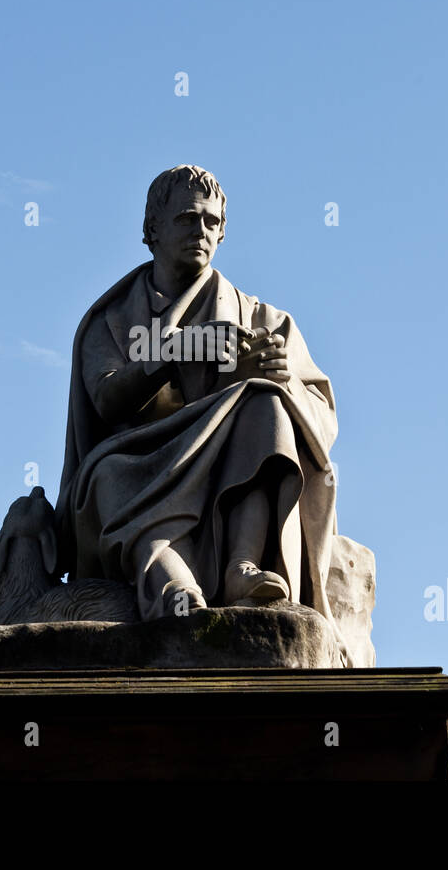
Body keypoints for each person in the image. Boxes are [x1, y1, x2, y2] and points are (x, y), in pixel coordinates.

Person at [56, 165, 354, 657]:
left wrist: (277, 378)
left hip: (222, 462)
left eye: (212, 222)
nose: (202, 232)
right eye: (188, 219)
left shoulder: (263, 318)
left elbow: (321, 411)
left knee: (266, 404)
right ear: (151, 231)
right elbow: (107, 398)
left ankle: (242, 566)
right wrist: (170, 352)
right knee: (109, 479)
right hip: (137, 461)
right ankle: (173, 589)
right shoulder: (108, 320)